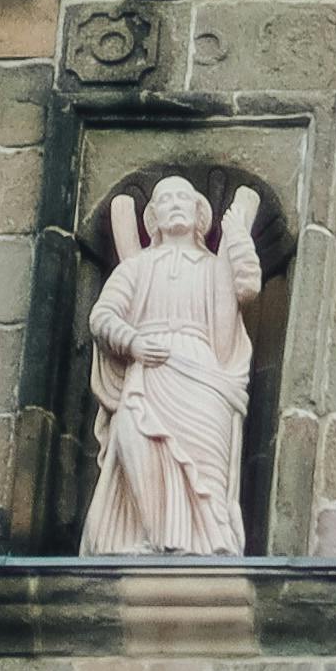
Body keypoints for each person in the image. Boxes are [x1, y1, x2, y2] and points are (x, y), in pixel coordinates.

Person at [81, 175, 261, 555]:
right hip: (148, 368)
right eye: (166, 199)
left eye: (185, 197)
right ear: (154, 217)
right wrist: (133, 342)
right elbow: (102, 316)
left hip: (201, 371)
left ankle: (205, 543)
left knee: (203, 465)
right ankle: (151, 537)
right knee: (134, 436)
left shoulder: (215, 267)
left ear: (199, 214)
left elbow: (248, 287)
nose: (176, 204)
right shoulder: (137, 267)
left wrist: (238, 234)